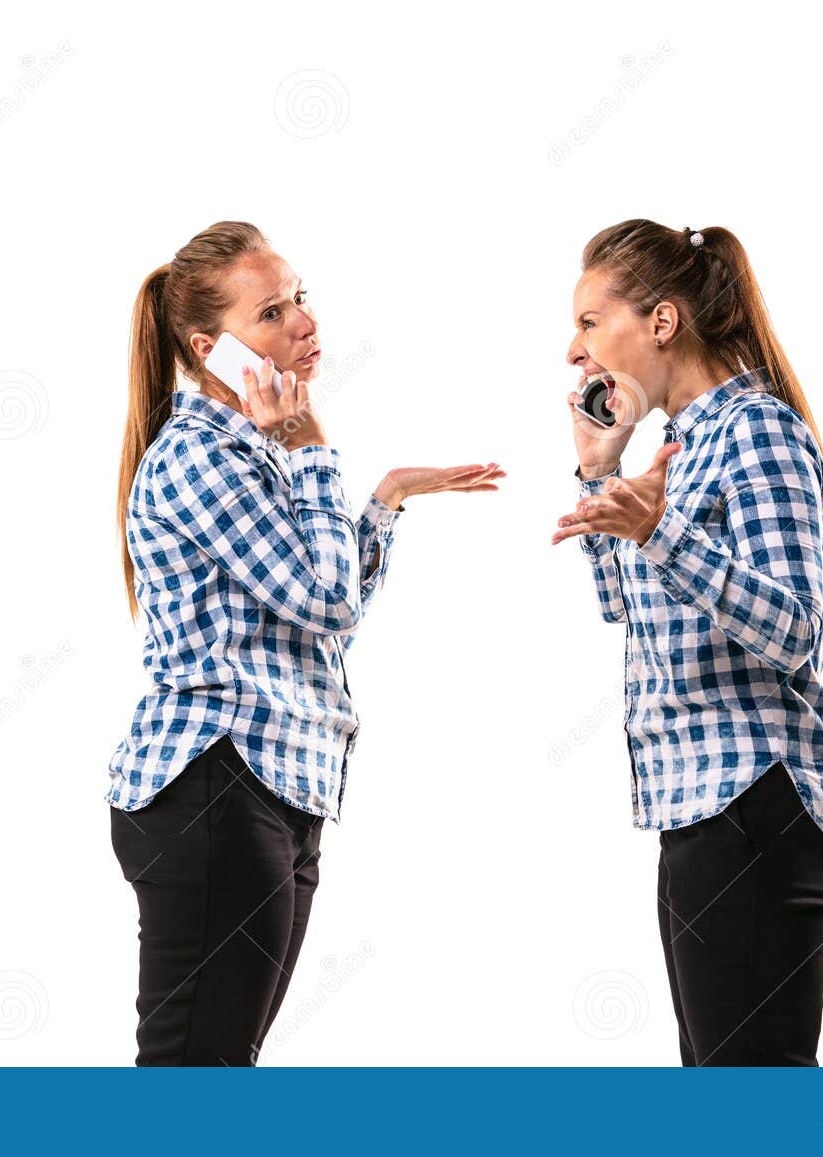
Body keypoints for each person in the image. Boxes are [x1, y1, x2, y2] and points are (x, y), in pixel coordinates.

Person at [108, 220, 505, 1065]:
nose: (304, 323)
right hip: (216, 788)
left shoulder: (250, 450)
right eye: (271, 313)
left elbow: (319, 611)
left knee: (221, 1065)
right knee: (193, 1072)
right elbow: (326, 602)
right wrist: (314, 448)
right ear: (210, 349)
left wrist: (386, 500)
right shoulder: (200, 458)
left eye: (299, 298)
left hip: (273, 790)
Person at [551, 219, 823, 1066]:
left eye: (589, 322)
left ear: (662, 322)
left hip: (755, 804)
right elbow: (622, 605)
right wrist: (600, 473)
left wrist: (660, 533)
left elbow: (798, 628)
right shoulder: (680, 448)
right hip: (702, 808)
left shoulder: (756, 430)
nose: (574, 351)